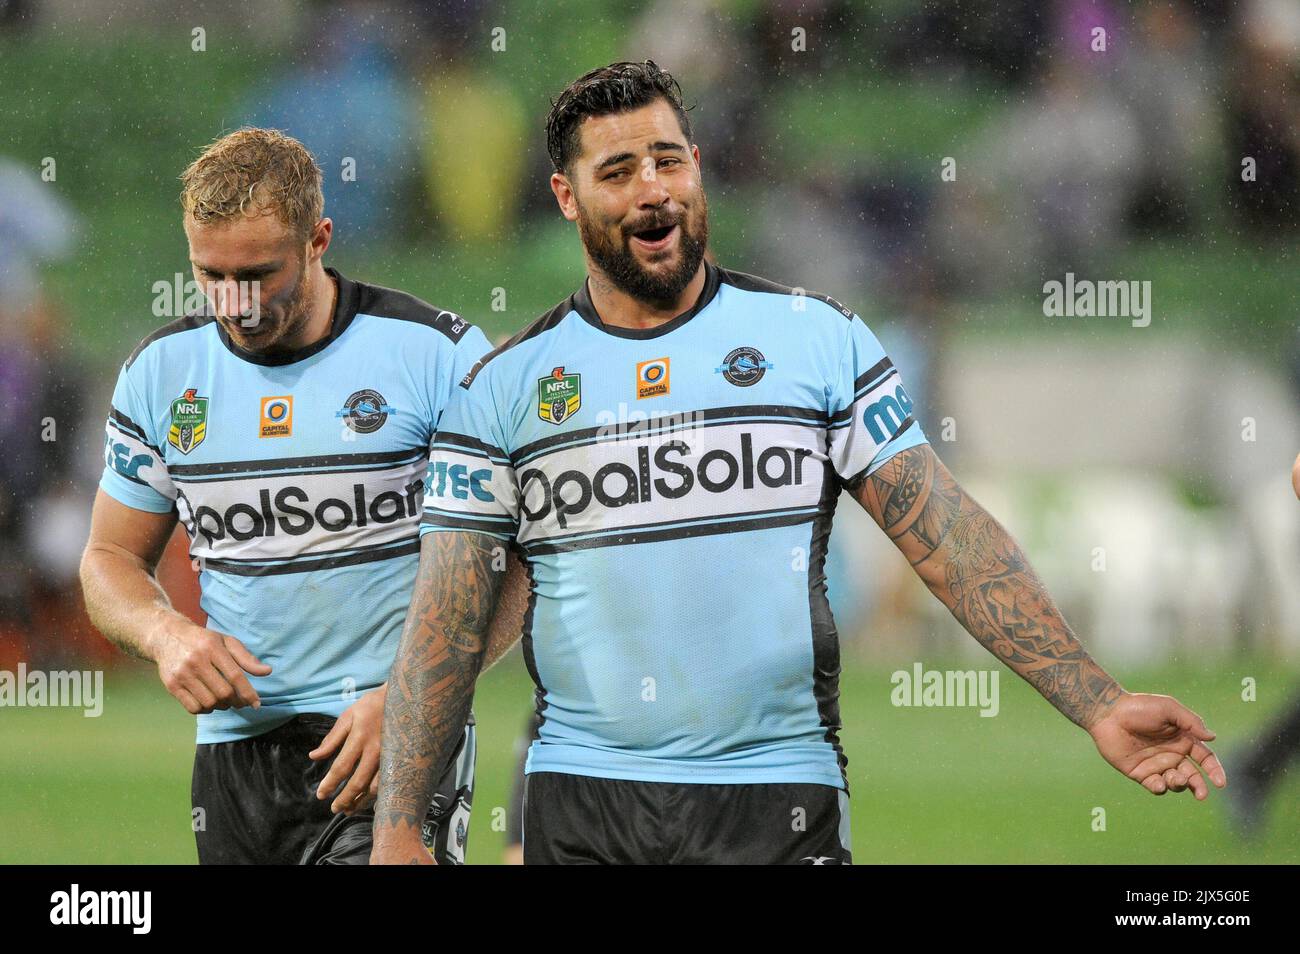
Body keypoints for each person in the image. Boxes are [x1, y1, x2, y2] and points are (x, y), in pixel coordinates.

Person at [372, 62, 1226, 865]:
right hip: (583, 799)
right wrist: (401, 822)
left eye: (668, 160)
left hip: (778, 795)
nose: (652, 190)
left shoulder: (814, 340)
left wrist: (1099, 702)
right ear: (566, 195)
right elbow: (449, 615)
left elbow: (947, 537)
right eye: (619, 170)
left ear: (698, 167)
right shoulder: (506, 387)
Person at [80, 128, 525, 864]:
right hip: (236, 760)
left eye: (258, 274)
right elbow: (108, 556)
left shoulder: (436, 357)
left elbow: (521, 555)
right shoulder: (161, 375)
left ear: (320, 239)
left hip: (387, 740)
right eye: (210, 275)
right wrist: (166, 635)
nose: (237, 304)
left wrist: (421, 699)